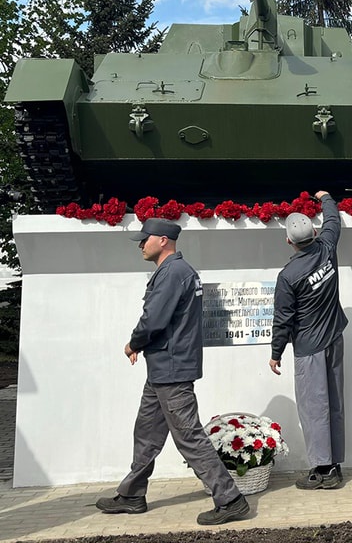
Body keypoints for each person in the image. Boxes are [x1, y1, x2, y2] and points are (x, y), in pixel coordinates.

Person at [96, 218, 249, 526]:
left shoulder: (172, 273)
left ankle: (230, 499)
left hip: (172, 369)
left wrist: (132, 343)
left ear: (163, 240)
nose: (141, 244)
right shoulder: (178, 272)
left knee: (189, 436)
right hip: (162, 369)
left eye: (145, 239)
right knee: (147, 433)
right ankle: (132, 495)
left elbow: (153, 320)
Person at [269, 191, 348, 490]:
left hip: (309, 349)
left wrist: (276, 352)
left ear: (289, 241)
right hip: (334, 340)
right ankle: (335, 463)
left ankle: (323, 470)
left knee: (314, 409)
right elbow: (333, 219)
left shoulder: (288, 276)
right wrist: (326, 197)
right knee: (334, 404)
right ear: (314, 233)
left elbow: (283, 318)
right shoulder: (327, 246)